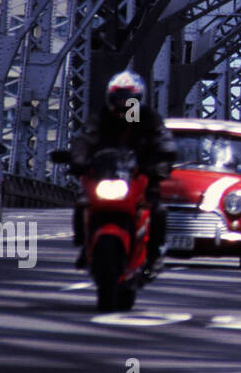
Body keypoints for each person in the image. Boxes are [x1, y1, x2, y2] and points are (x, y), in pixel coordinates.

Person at [68, 71, 176, 271]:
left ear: (138, 99)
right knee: (83, 203)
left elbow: (163, 139)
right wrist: (77, 158)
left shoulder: (148, 119)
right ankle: (84, 246)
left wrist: (162, 159)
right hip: (107, 174)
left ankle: (154, 254)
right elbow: (85, 139)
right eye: (119, 98)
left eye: (129, 99)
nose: (124, 103)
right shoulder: (101, 118)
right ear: (111, 99)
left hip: (139, 175)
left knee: (157, 210)